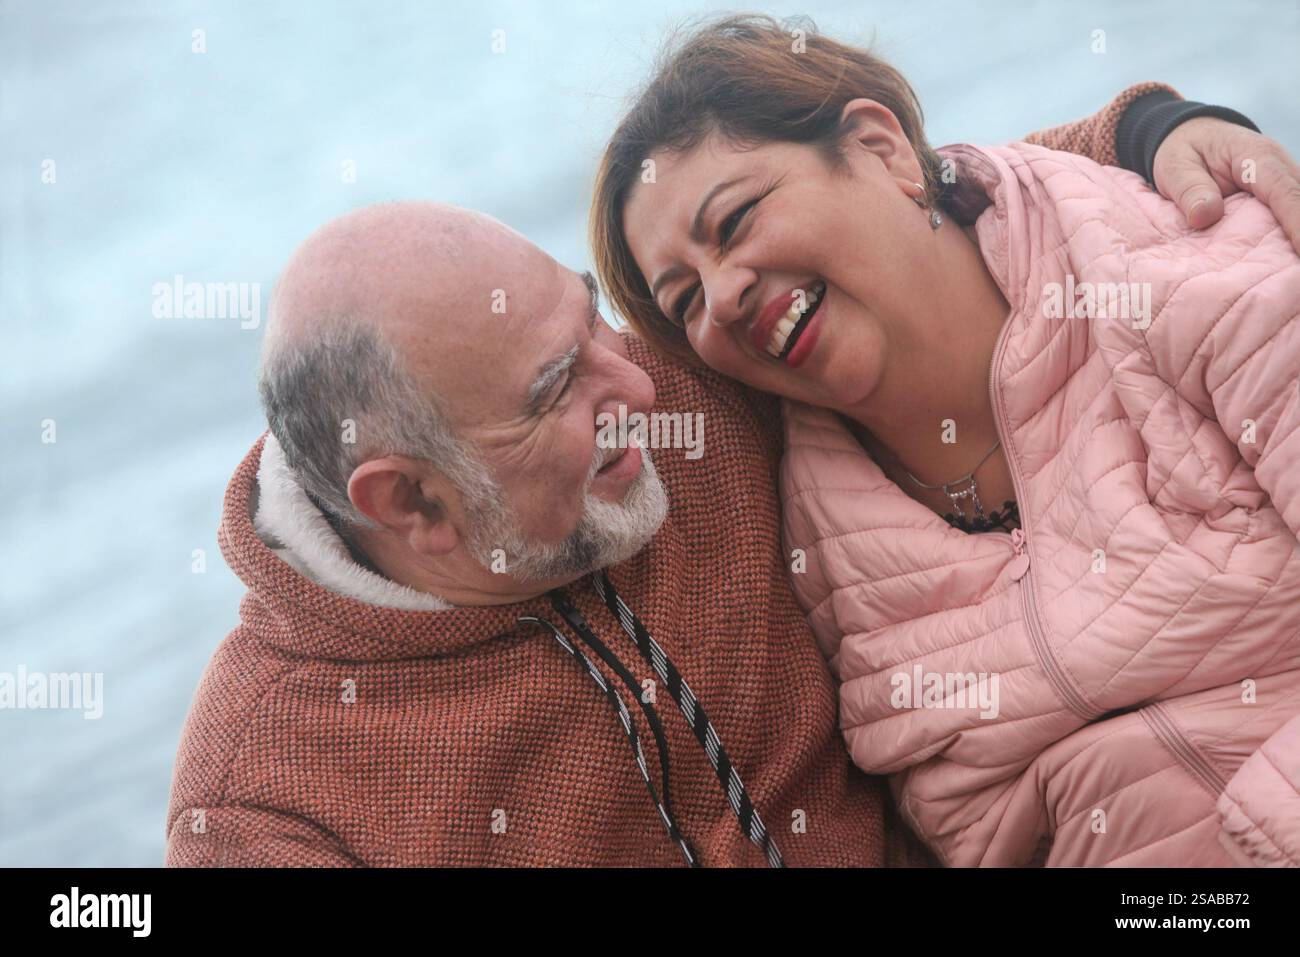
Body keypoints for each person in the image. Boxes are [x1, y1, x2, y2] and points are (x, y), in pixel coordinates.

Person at [165, 28, 1299, 869]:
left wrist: (1153, 128)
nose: (637, 382)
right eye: (561, 385)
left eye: (598, 324)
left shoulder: (688, 405)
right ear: (411, 505)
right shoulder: (270, 799)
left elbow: (950, 222)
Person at [592, 15, 1300, 866]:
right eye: (683, 301)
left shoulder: (1186, 278)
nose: (724, 295)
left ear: (881, 149)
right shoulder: (819, 555)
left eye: (736, 220)